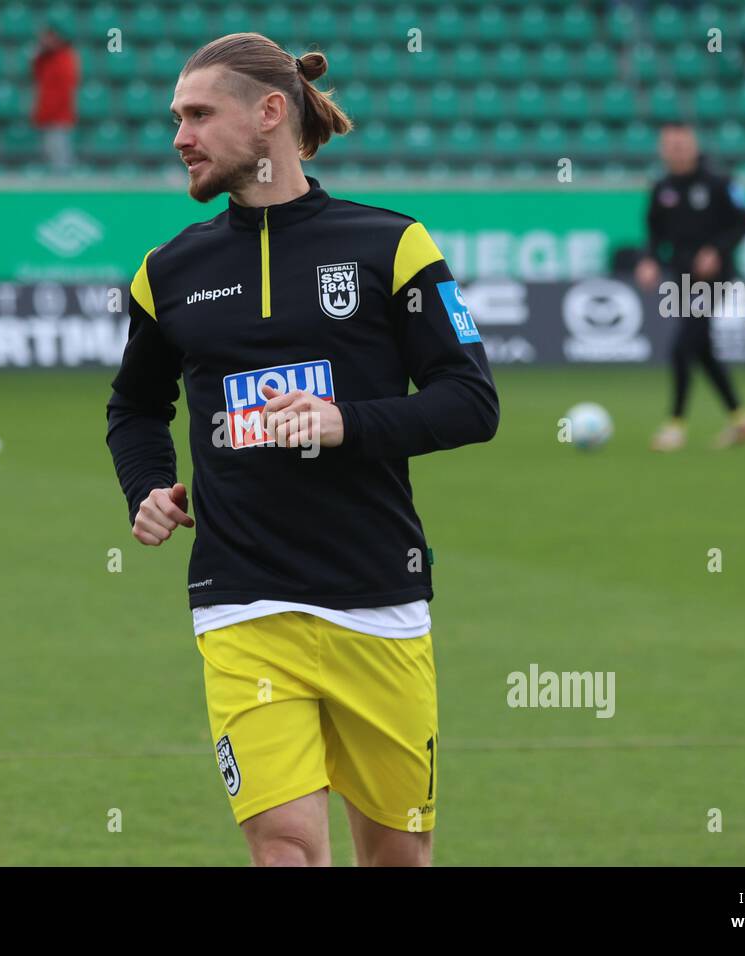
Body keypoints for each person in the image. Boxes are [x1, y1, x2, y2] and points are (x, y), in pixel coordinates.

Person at [104, 33, 500, 866]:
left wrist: (344, 422)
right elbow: (135, 407)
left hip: (378, 597)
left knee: (397, 857)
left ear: (270, 114)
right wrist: (146, 483)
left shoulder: (393, 246)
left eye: (199, 115)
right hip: (243, 600)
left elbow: (471, 402)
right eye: (177, 117)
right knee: (288, 851)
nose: (180, 136)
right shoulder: (165, 273)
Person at [635, 121, 745, 451]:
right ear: (663, 149)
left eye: (681, 144)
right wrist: (649, 260)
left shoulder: (720, 183)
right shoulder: (662, 188)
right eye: (669, 145)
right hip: (682, 278)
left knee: (681, 346)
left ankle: (675, 424)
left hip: (713, 279)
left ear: (693, 145)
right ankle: (741, 419)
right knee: (701, 349)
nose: (675, 150)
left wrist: (716, 250)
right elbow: (654, 233)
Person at [31, 26, 80, 173]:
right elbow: (36, 74)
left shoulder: (65, 57)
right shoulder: (46, 59)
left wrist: (54, 111)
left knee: (59, 152)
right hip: (46, 111)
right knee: (49, 151)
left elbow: (65, 87)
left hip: (59, 113)